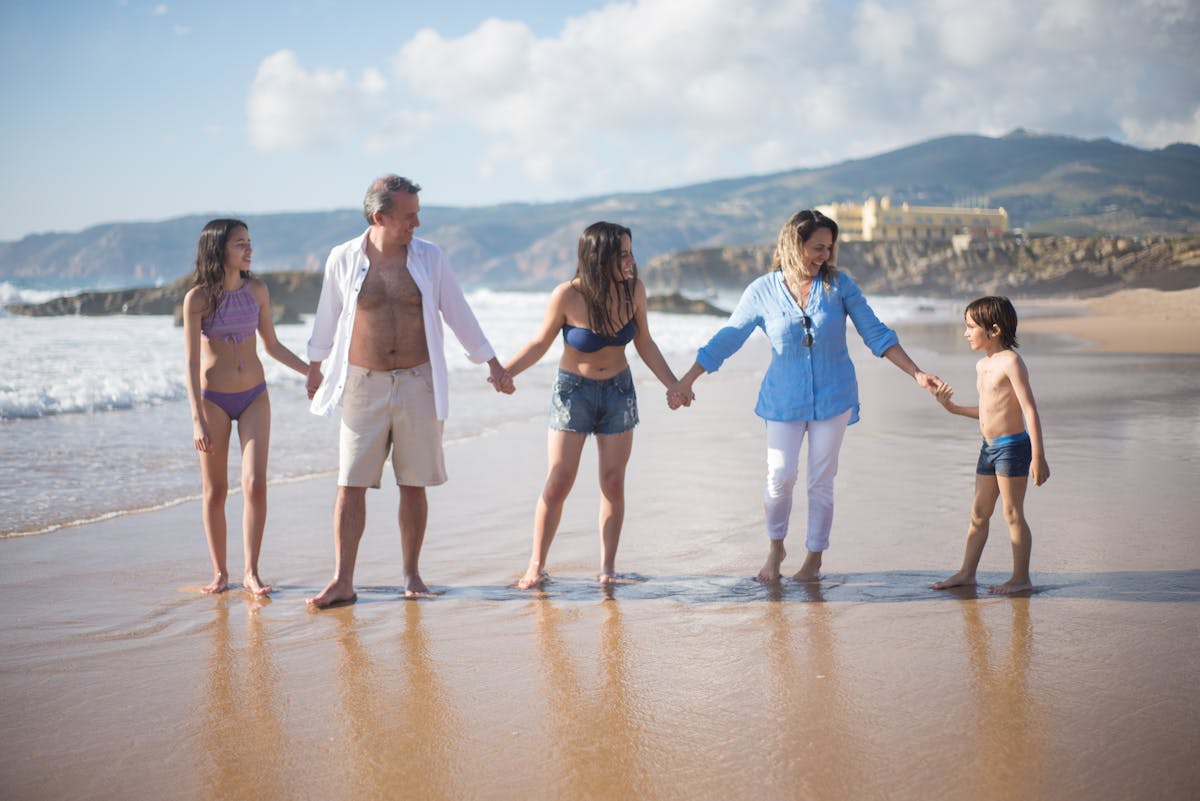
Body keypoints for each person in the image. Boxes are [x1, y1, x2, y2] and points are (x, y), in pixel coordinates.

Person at [671, 209, 940, 583]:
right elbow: (728, 338)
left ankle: (813, 559)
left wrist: (917, 373)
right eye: (817, 247)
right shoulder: (762, 290)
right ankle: (775, 547)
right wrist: (688, 380)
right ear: (793, 244)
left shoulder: (840, 286)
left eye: (829, 249)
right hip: (783, 400)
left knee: (820, 481)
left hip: (834, 397)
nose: (823, 257)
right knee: (779, 476)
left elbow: (875, 333)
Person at [305, 175, 512, 608]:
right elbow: (329, 315)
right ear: (380, 217)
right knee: (350, 484)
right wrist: (315, 366)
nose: (416, 223)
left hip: (419, 380)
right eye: (408, 215)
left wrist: (491, 362)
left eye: (417, 213)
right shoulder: (342, 258)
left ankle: (412, 574)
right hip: (364, 383)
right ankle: (343, 580)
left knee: (413, 483)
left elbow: (458, 311)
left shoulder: (430, 258)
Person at [504, 221, 688, 589]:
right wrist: (505, 371)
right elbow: (541, 344)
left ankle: (607, 568)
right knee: (559, 480)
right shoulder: (567, 296)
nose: (630, 260)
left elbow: (645, 343)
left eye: (630, 251)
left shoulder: (634, 290)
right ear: (598, 256)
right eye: (622, 254)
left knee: (613, 482)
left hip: (618, 391)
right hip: (574, 392)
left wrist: (674, 384)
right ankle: (535, 566)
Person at [183, 219, 309, 595]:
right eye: (240, 243)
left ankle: (251, 572)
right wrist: (196, 420)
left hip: (255, 396)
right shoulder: (198, 299)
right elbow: (189, 363)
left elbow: (271, 345)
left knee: (255, 485)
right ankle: (221, 573)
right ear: (219, 249)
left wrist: (311, 373)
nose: (249, 249)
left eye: (249, 242)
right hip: (213, 403)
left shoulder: (257, 291)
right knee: (216, 490)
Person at [933, 296, 1049, 595]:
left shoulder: (1010, 361)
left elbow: (1029, 410)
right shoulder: (982, 365)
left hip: (1013, 447)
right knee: (979, 513)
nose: (966, 333)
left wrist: (1038, 456)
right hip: (988, 447)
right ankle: (967, 573)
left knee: (1012, 513)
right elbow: (988, 411)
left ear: (994, 330)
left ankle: (1021, 579)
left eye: (971, 327)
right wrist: (953, 408)